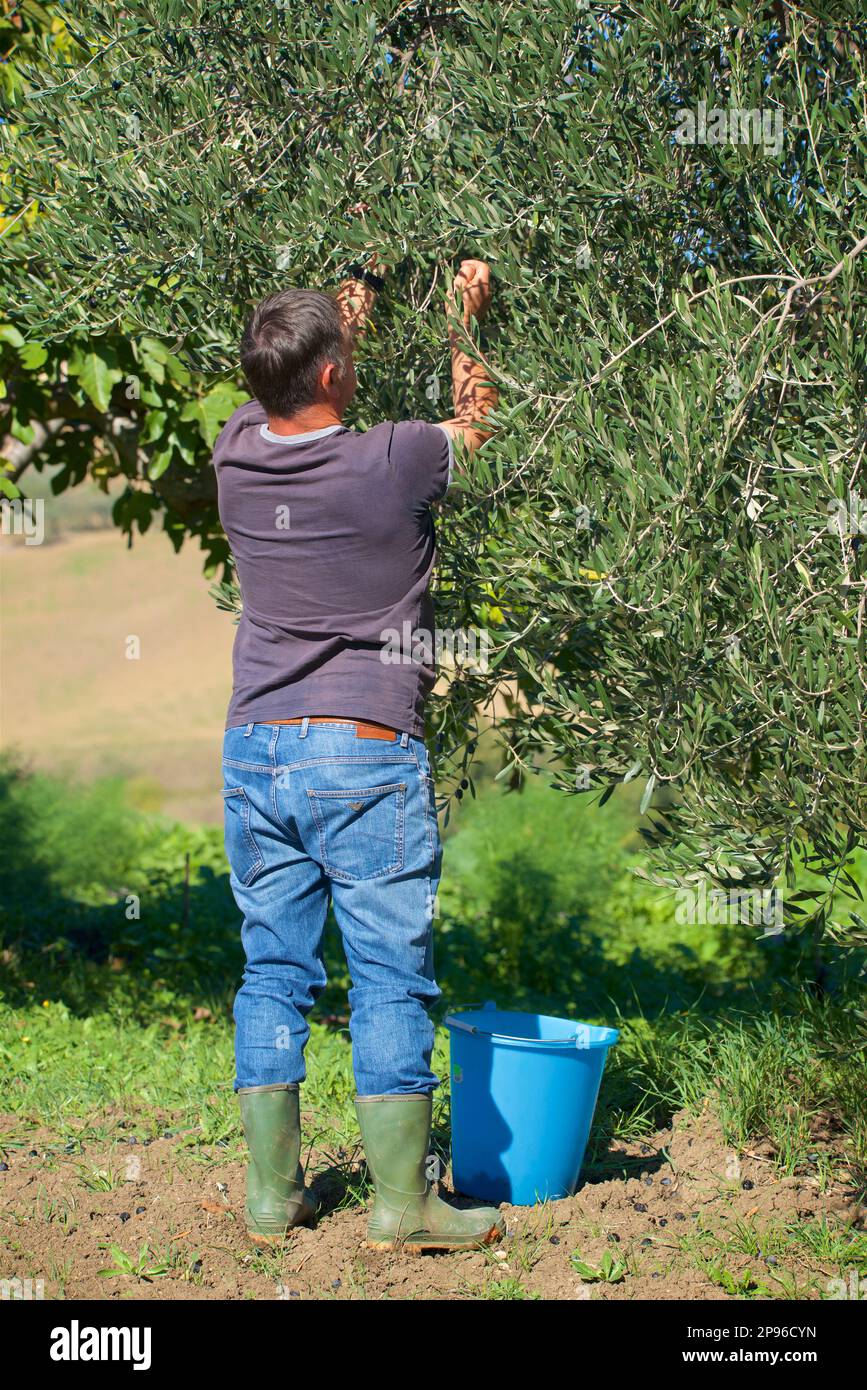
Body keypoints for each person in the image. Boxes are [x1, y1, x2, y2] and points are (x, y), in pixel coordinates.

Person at [212, 257, 501, 1250]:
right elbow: (479, 422)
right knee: (388, 975)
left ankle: (268, 1198)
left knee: (272, 969)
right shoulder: (400, 459)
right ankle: (401, 1205)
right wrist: (469, 318)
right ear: (336, 373)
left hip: (257, 746)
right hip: (363, 746)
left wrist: (351, 306)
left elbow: (311, 381)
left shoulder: (236, 449)